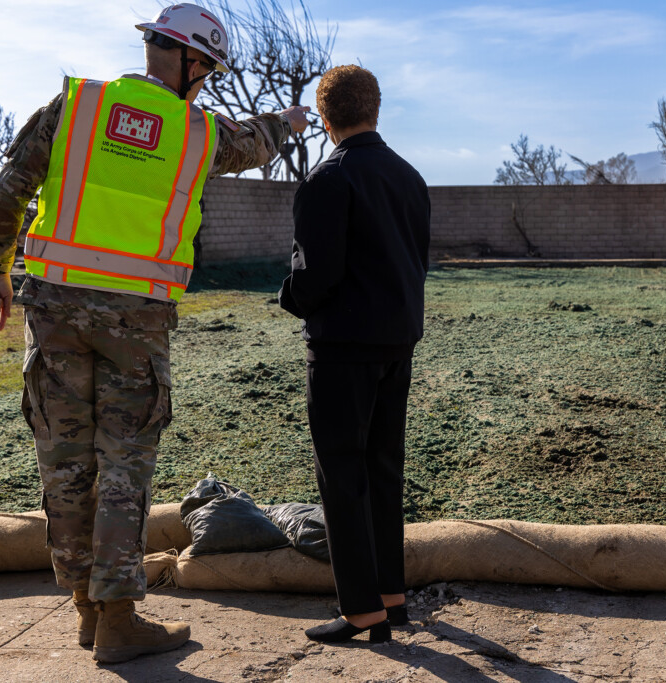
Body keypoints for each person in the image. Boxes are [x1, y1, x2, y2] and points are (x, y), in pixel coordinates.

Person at [0, 3, 309, 664]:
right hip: (136, 322)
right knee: (123, 466)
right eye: (207, 70)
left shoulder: (77, 108)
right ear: (194, 63)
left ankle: (87, 614)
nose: (206, 82)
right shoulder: (197, 133)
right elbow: (253, 143)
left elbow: (12, 184)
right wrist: (288, 122)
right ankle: (119, 621)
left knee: (66, 462)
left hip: (57, 310)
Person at [278, 65, 431, 644]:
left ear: (323, 117)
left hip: (342, 348)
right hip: (398, 342)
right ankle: (392, 596)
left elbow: (314, 277)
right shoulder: (410, 177)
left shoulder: (327, 180)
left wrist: (289, 294)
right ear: (376, 108)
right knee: (383, 468)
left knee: (342, 474)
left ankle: (362, 609)